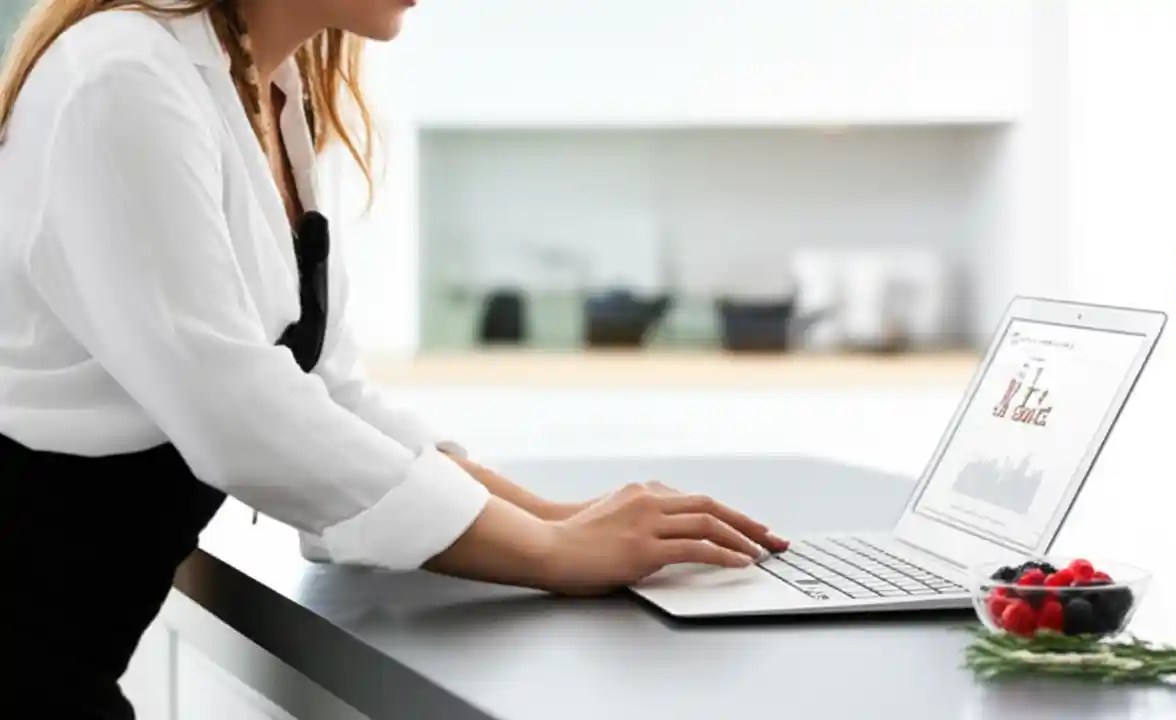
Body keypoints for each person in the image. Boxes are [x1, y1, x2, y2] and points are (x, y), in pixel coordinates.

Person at [0, 1, 789, 717]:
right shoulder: (123, 78)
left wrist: (555, 516)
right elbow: (236, 414)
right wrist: (550, 555)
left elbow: (330, 395)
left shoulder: (267, 94)